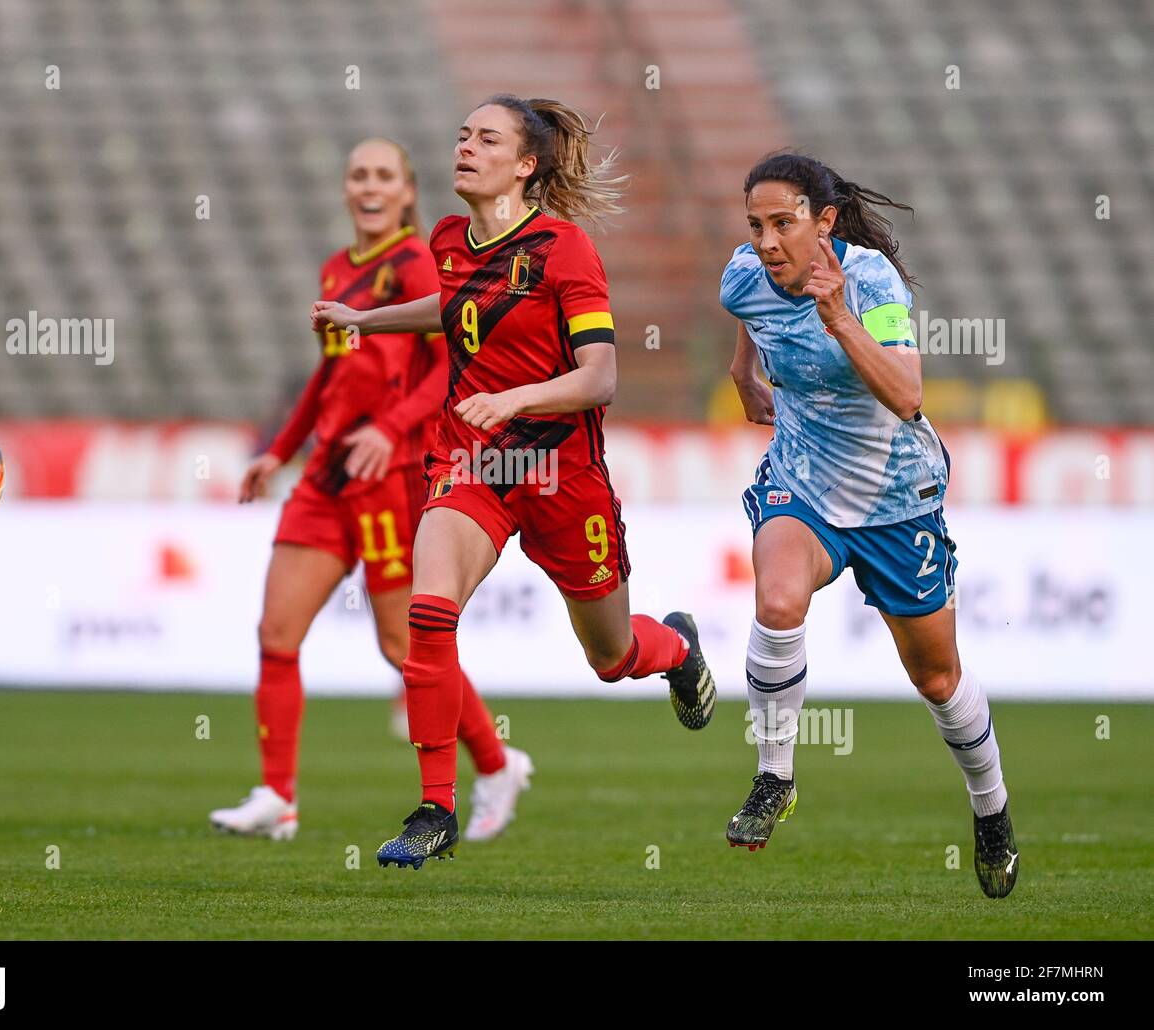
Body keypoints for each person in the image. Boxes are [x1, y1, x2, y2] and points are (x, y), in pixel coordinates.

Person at [312, 97, 716, 870]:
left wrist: (517, 398)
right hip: (473, 462)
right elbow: (460, 308)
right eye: (461, 133)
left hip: (562, 476)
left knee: (611, 656)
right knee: (429, 614)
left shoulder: (566, 250)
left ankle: (677, 652)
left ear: (526, 165)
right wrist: (365, 320)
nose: (464, 145)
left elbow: (600, 378)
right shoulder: (447, 240)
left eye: (485, 137)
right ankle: (436, 808)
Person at [210, 138, 532, 844]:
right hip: (327, 475)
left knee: (402, 642)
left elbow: (452, 359)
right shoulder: (336, 267)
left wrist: (389, 428)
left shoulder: (420, 262)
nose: (370, 185)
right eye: (359, 174)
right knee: (276, 632)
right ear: (346, 188)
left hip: (391, 476)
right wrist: (279, 451)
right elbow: (328, 375)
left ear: (408, 193)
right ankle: (277, 794)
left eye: (385, 175)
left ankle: (496, 761)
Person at [721, 151, 1017, 898]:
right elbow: (745, 313)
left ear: (824, 222)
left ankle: (992, 812)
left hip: (896, 501)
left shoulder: (874, 282)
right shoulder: (746, 274)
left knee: (937, 677)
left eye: (783, 223)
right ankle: (774, 776)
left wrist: (838, 317)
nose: (766, 241)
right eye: (756, 225)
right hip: (803, 483)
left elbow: (908, 393)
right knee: (778, 600)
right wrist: (743, 372)